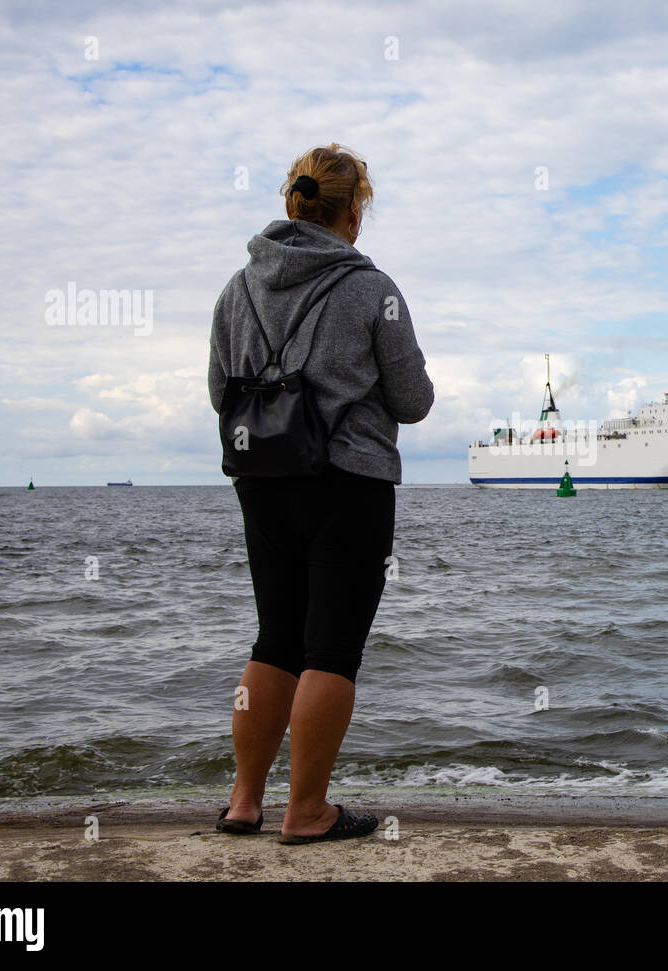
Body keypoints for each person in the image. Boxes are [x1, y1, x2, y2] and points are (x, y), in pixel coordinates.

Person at [207, 144, 434, 843]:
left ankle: (245, 802)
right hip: (350, 482)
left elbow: (221, 392)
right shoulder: (374, 291)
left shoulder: (237, 289)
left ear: (292, 204)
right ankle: (306, 811)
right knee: (329, 649)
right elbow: (413, 399)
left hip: (262, 481)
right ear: (354, 214)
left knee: (275, 637)